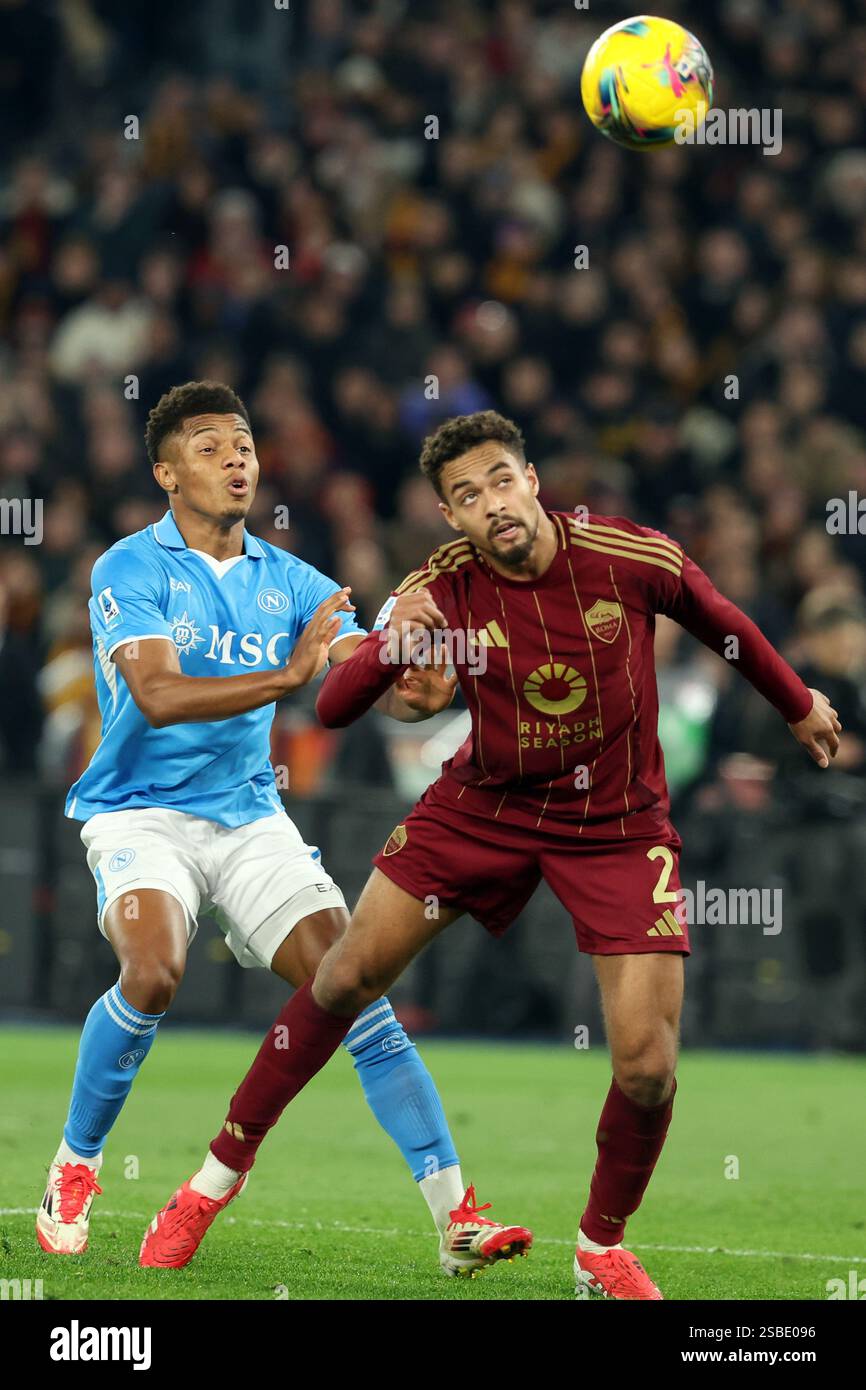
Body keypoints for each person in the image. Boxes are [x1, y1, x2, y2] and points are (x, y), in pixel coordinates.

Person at [145, 409, 839, 1299]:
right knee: (344, 978)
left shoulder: (633, 557)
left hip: (617, 826)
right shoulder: (444, 585)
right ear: (449, 516)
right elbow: (334, 709)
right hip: (486, 806)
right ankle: (211, 1183)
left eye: (501, 482)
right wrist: (399, 636)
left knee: (648, 1066)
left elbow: (722, 620)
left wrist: (797, 705)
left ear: (533, 480)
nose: (491, 506)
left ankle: (599, 1248)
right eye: (466, 497)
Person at [37, 383, 531, 1279]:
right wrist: (287, 676)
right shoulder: (129, 568)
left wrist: (417, 671)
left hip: (249, 818)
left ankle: (456, 1214)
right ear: (167, 473)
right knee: (151, 974)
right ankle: (76, 1164)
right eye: (212, 447)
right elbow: (155, 697)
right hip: (140, 813)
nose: (237, 461)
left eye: (245, 445)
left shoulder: (293, 582)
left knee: (353, 985)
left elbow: (365, 672)